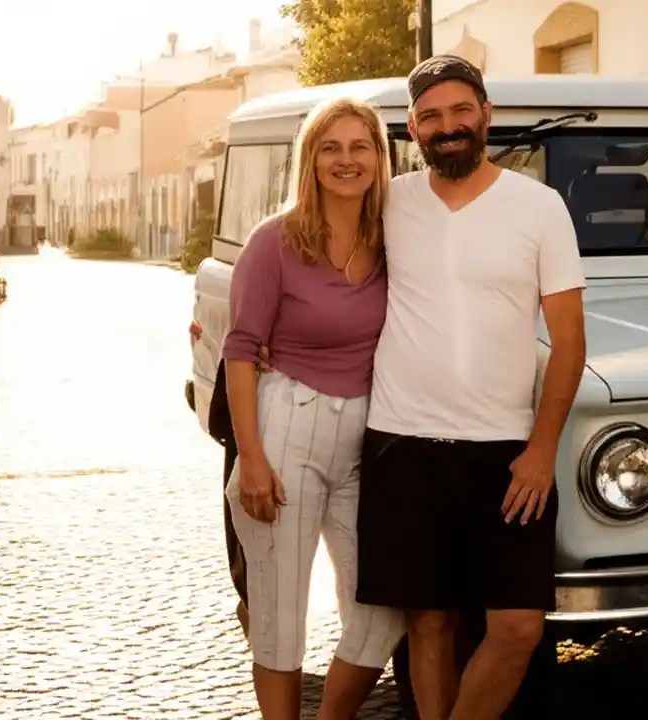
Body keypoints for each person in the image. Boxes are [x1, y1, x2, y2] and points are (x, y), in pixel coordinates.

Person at [355, 54, 587, 720]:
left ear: (487, 114)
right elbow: (319, 243)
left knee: (518, 628)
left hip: (507, 453)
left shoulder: (539, 207)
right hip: (402, 445)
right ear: (412, 127)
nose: (448, 126)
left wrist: (541, 450)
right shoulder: (391, 202)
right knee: (431, 624)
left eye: (461, 111)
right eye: (431, 116)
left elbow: (569, 342)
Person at [222, 96, 408, 720]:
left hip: (366, 437)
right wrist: (251, 458)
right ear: (310, 158)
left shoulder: (395, 241)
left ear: (379, 158)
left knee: (381, 614)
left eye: (360, 147)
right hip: (285, 428)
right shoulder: (274, 241)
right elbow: (241, 351)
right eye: (330, 147)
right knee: (279, 618)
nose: (345, 160)